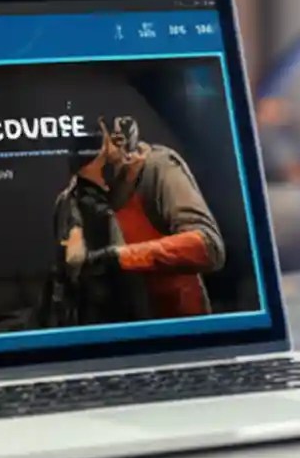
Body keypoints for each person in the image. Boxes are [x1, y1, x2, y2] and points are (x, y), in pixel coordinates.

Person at [43, 116, 226, 326]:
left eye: (104, 176)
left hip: (177, 327)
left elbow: (209, 247)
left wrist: (121, 258)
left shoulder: (157, 170)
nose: (97, 191)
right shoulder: (71, 200)